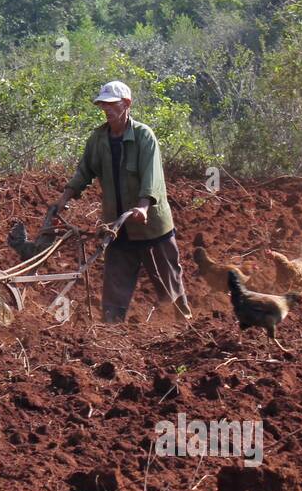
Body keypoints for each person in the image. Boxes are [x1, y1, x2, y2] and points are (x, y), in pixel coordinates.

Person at [42, 81, 192, 323]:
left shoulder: (144, 136)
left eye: (113, 104)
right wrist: (64, 198)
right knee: (114, 290)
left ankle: (185, 327)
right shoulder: (99, 138)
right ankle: (111, 334)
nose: (107, 109)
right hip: (117, 226)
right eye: (104, 105)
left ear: (127, 104)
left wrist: (143, 206)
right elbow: (84, 171)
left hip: (150, 227)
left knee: (169, 284)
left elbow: (151, 176)